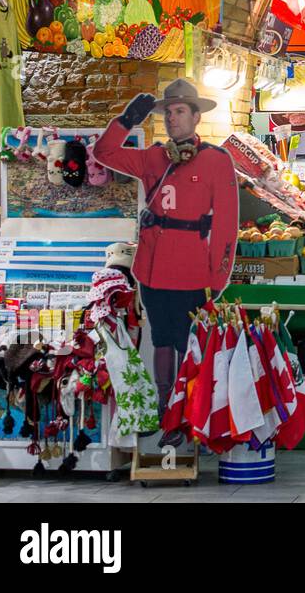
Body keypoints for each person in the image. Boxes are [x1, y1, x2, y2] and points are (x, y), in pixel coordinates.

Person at [93, 79, 239, 440]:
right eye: (168, 113)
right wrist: (126, 121)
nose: (172, 119)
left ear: (195, 117)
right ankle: (162, 407)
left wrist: (218, 279)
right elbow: (103, 153)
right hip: (153, 270)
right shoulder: (153, 157)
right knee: (160, 340)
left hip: (193, 271)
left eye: (179, 112)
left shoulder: (217, 162)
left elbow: (226, 227)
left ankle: (186, 415)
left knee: (187, 344)